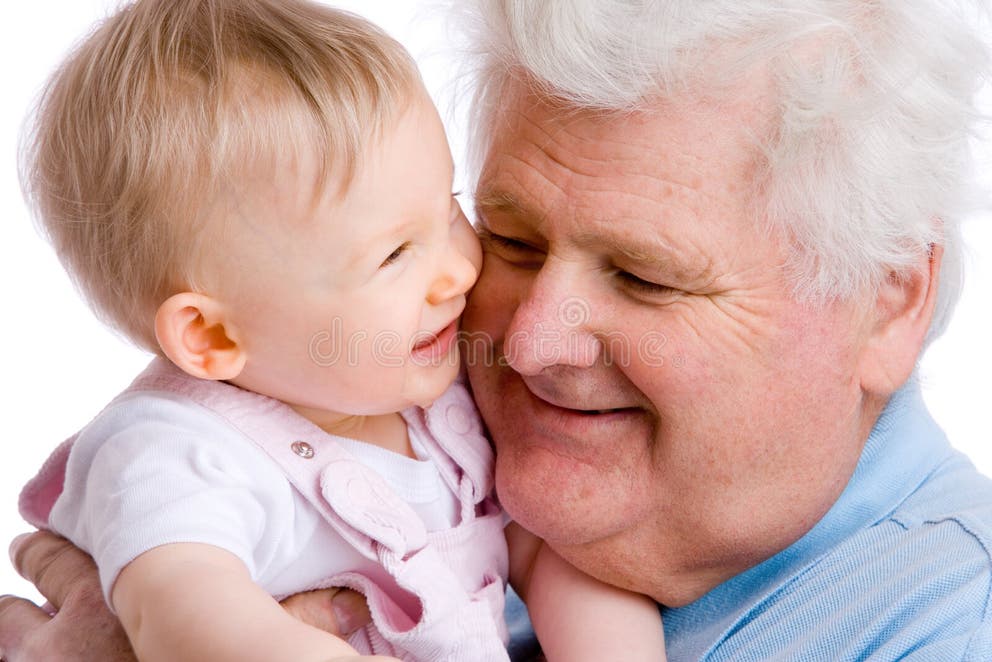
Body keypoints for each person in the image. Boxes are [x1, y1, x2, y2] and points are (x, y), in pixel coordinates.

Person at [2, 0, 991, 660]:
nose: (523, 343)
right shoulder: (455, 443)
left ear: (885, 301)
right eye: (509, 235)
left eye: (644, 276)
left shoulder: (947, 623)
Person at [0, 1, 668, 661]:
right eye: (394, 255)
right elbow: (186, 619)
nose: (458, 272)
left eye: (450, 207)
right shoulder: (174, 455)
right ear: (211, 337)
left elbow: (546, 552)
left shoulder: (437, 399)